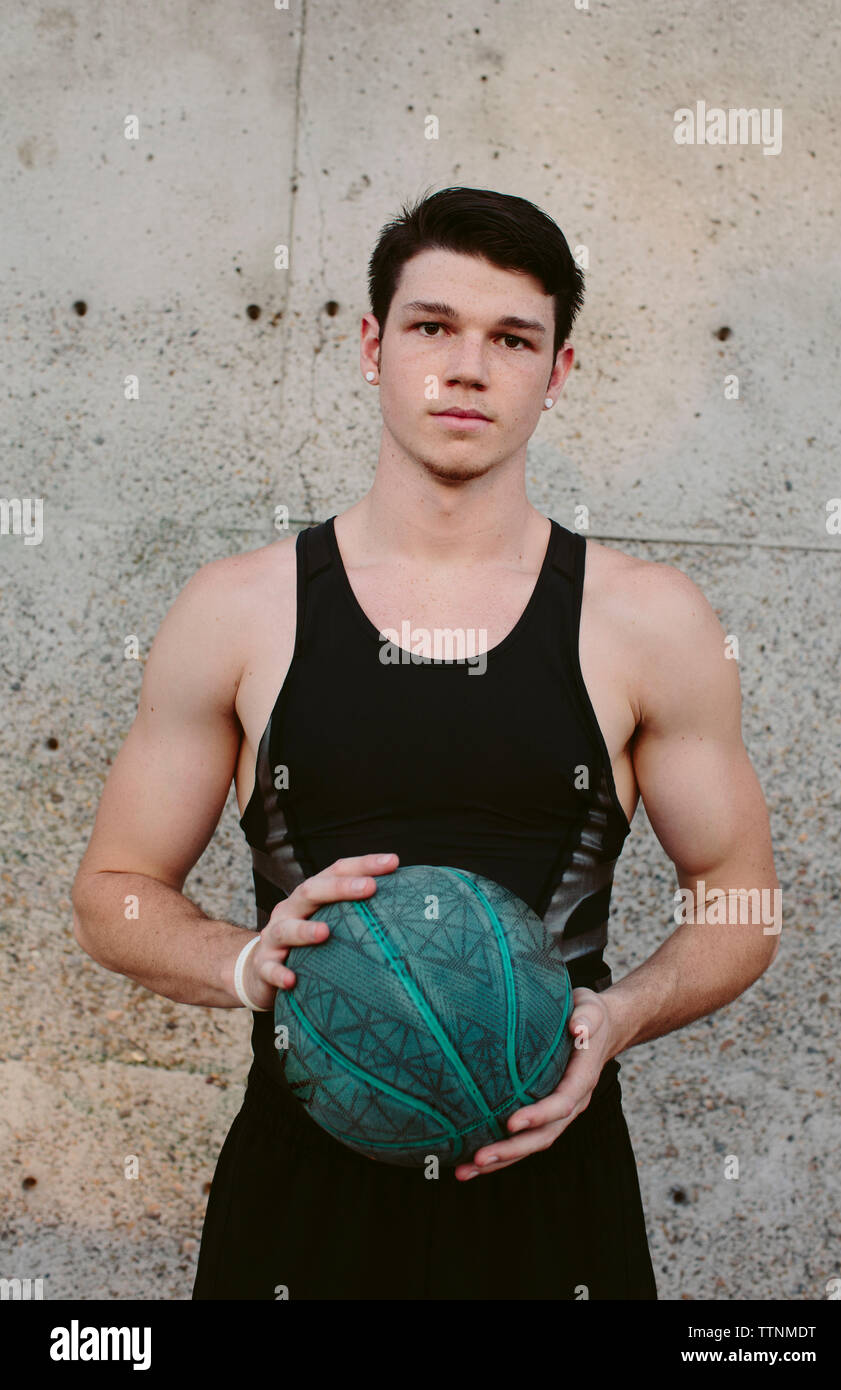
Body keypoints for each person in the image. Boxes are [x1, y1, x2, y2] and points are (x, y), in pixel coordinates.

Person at [71, 185, 780, 1300]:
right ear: (372, 346)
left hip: (549, 1177)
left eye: (511, 338)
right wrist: (241, 961)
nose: (467, 366)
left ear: (559, 372)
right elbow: (111, 890)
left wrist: (617, 1016)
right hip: (304, 1186)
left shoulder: (646, 621)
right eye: (430, 326)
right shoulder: (241, 610)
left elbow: (738, 900)